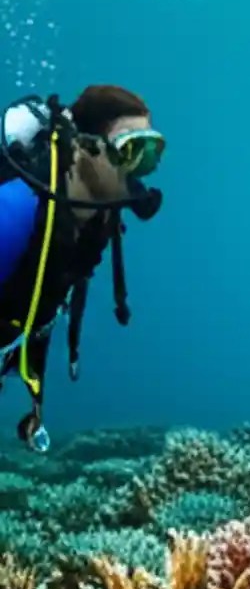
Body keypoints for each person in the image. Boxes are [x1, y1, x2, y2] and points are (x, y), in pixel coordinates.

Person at [0, 86, 167, 452]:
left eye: (150, 153)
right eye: (130, 150)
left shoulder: (97, 218)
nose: (139, 171)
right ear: (84, 147)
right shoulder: (14, 211)